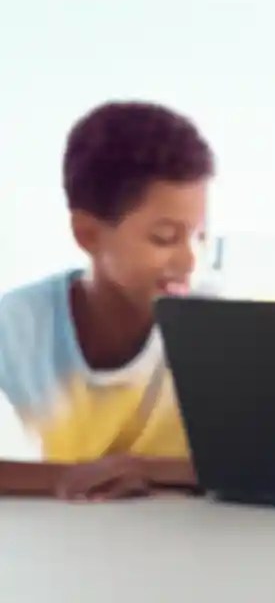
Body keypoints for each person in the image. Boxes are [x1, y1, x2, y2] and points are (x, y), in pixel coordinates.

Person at [0, 101, 214, 500]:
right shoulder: (17, 326)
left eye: (200, 236)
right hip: (65, 548)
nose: (189, 261)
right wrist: (74, 479)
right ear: (89, 235)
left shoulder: (220, 326)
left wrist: (144, 470)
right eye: (164, 238)